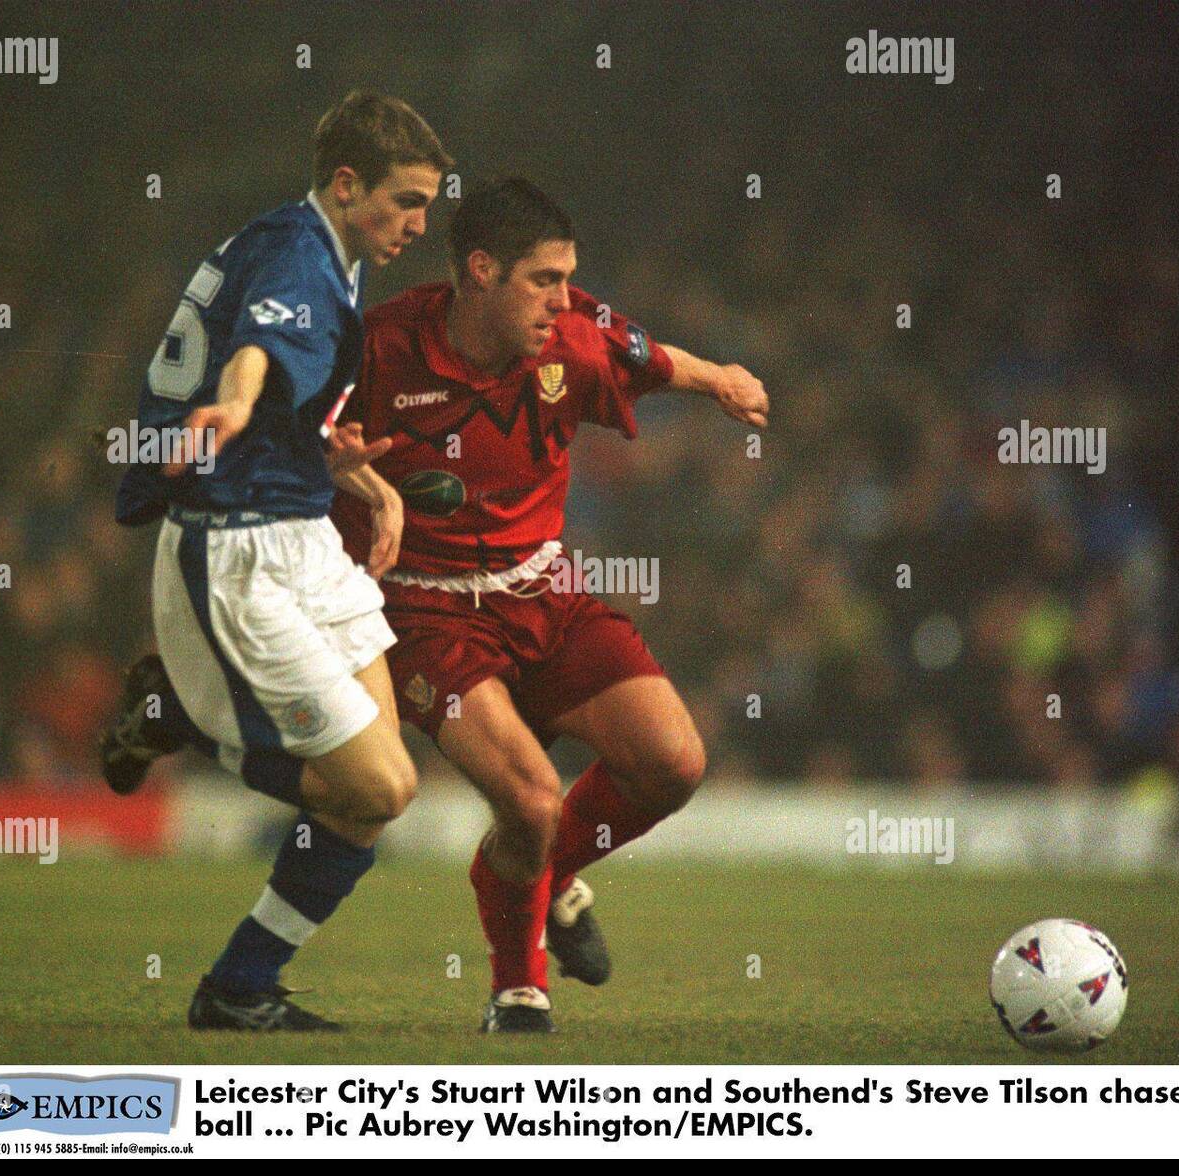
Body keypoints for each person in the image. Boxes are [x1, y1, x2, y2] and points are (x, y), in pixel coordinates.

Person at [329, 177, 769, 1032]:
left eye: (569, 279)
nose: (565, 300)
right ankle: (517, 985)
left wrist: (723, 379)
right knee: (531, 800)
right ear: (481, 271)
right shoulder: (379, 348)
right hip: (428, 612)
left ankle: (527, 873)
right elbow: (290, 432)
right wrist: (330, 463)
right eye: (544, 280)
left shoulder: (572, 338)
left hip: (544, 589)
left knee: (673, 762)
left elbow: (648, 358)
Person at [102, 91, 450, 1031]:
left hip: (296, 526)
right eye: (407, 202)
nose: (421, 224)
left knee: (383, 794)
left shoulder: (302, 243)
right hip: (240, 544)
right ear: (348, 185)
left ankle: (242, 987)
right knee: (373, 785)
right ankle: (176, 712)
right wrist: (237, 407)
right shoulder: (302, 256)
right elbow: (258, 352)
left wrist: (348, 472)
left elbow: (281, 363)